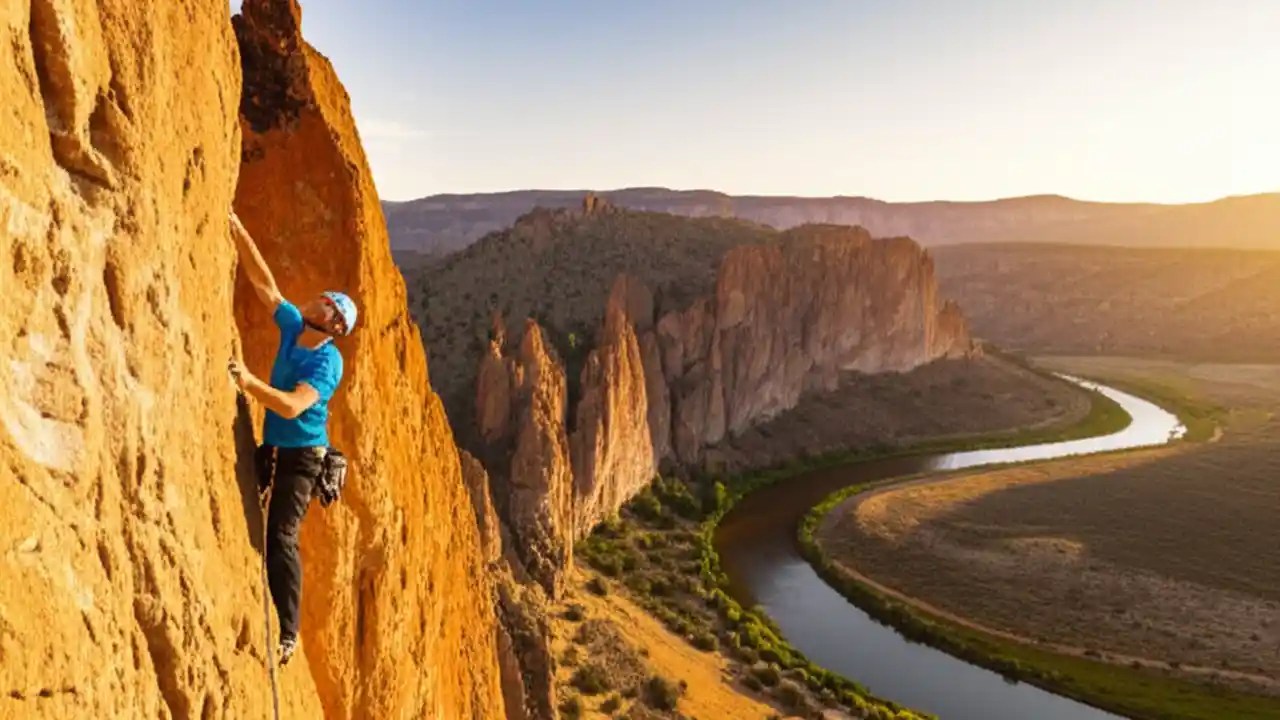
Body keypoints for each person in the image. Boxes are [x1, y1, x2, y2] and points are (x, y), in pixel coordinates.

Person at [227, 211, 357, 666]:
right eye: (321, 298)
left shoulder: (327, 362)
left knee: (281, 533)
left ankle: (287, 631)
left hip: (303, 458)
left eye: (326, 304)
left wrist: (246, 382)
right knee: (252, 520)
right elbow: (266, 288)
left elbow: (292, 406)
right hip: (277, 449)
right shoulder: (294, 327)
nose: (315, 301)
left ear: (335, 325)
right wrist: (240, 230)